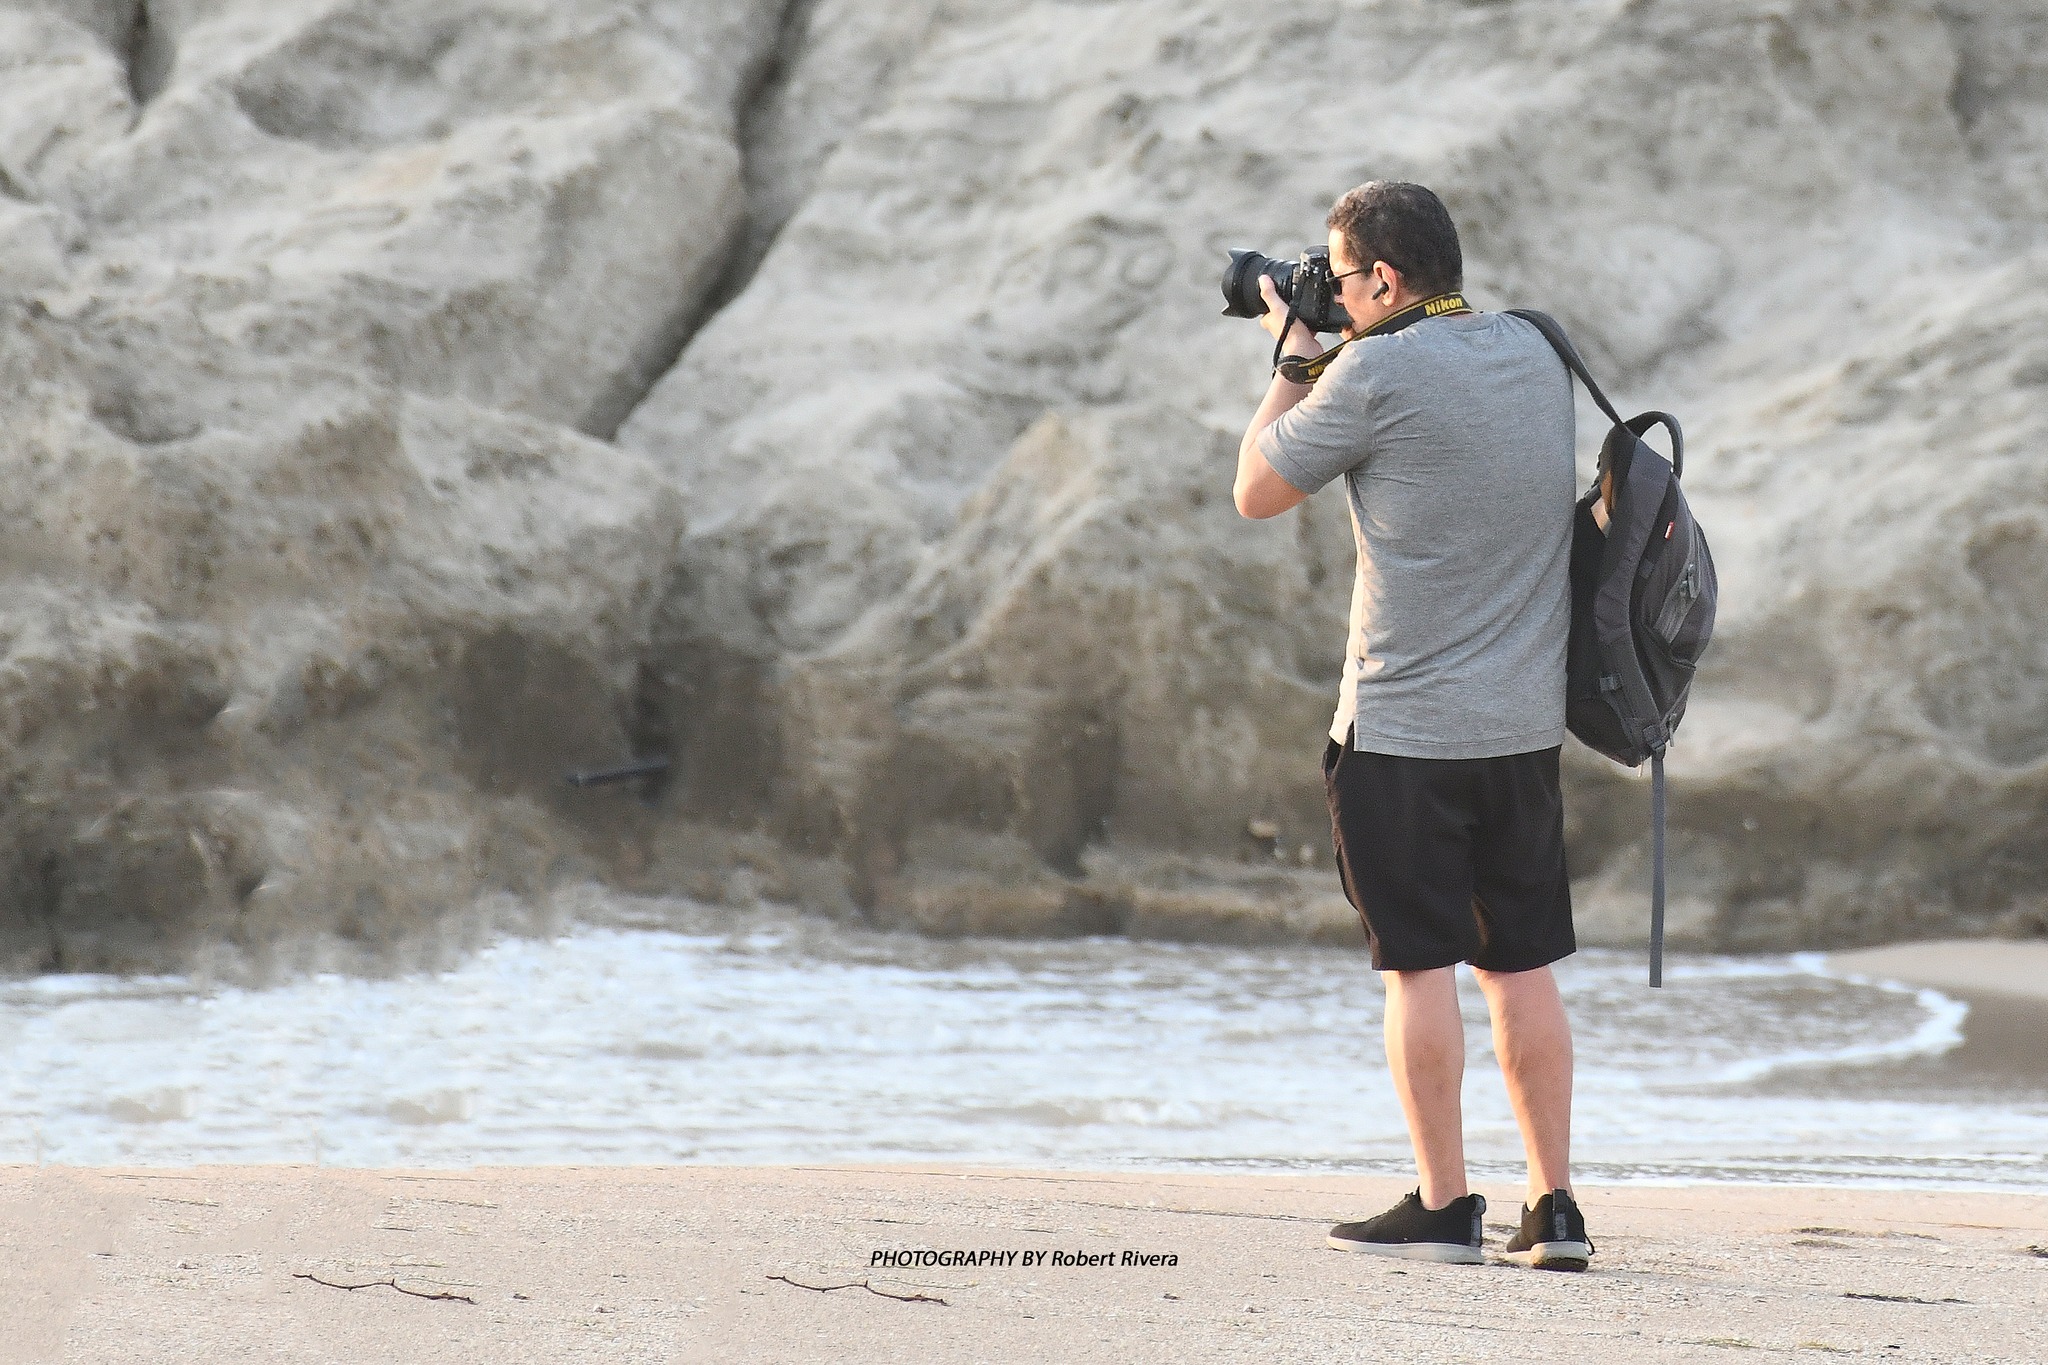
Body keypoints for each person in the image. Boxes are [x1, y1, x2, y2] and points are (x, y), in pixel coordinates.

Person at [1233, 181, 1593, 1270]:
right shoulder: (1535, 350)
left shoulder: (1368, 371)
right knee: (1521, 968)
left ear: (1381, 279)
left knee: (1420, 971)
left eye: (1343, 280)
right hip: (1522, 731)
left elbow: (1255, 486)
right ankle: (1555, 1208)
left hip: (1399, 732)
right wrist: (1326, 326)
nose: (1335, 298)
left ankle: (1443, 1204)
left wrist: (1293, 352)